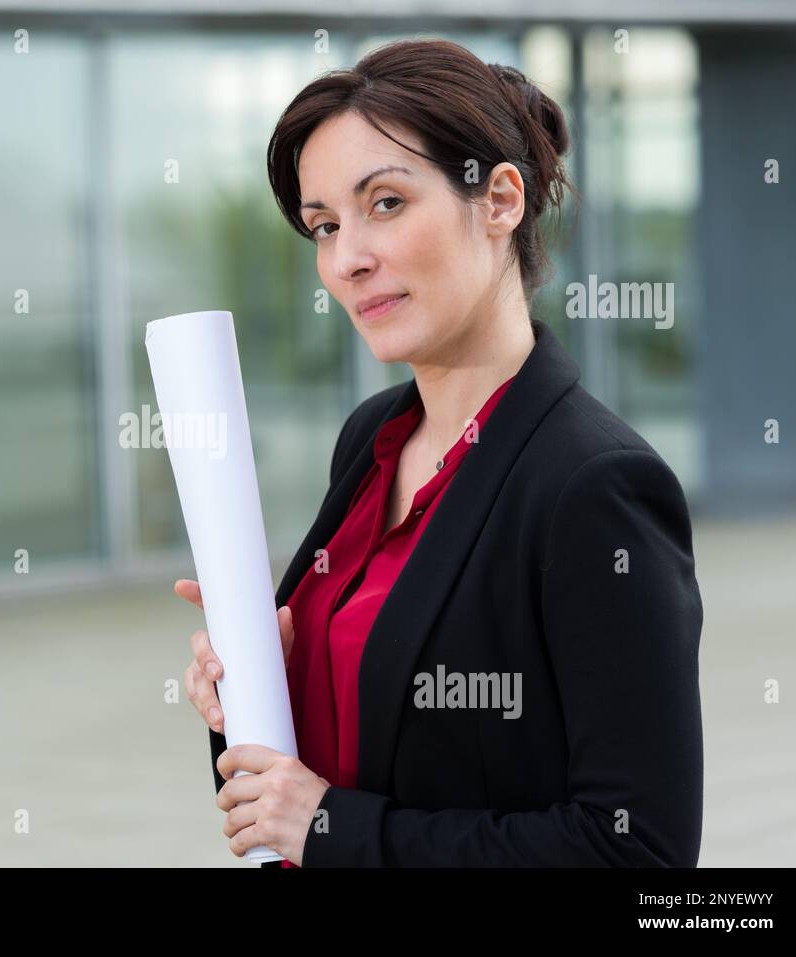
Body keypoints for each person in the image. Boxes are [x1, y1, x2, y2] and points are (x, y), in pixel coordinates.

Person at [177, 37, 703, 867]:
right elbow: (348, 765)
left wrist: (328, 827)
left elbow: (638, 853)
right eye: (324, 225)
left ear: (498, 199)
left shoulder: (594, 487)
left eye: (385, 203)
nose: (348, 258)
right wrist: (261, 695)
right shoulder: (372, 440)